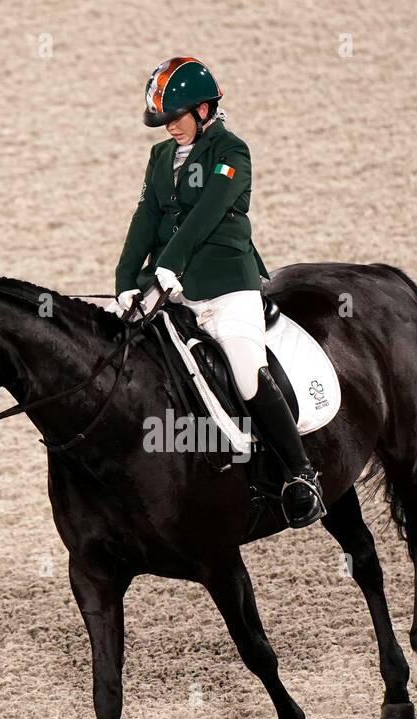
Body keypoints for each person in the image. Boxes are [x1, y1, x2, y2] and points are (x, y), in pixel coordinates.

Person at [114, 56, 325, 527]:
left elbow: (205, 215)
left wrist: (169, 267)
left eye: (176, 118)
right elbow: (146, 218)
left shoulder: (232, 152)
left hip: (227, 286)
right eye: (164, 121)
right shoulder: (160, 158)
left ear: (205, 109)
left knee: (248, 374)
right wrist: (126, 280)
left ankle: (300, 474)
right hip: (170, 286)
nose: (170, 128)